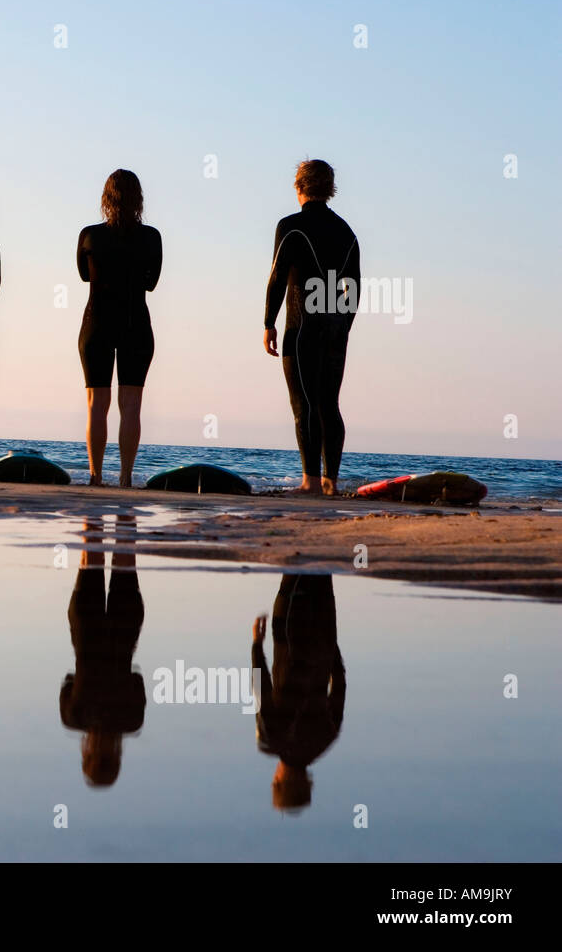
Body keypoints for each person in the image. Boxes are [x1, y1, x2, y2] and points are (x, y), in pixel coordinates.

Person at [263, 159, 360, 495]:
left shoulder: (290, 226)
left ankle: (310, 482)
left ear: (299, 186)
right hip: (334, 327)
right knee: (329, 404)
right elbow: (354, 287)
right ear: (329, 188)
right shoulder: (346, 232)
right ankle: (331, 481)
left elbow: (277, 278)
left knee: (303, 403)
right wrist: (342, 325)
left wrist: (268, 323)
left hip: (301, 325)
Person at [76, 170, 162, 487]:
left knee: (96, 405)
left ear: (106, 199)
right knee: (131, 406)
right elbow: (151, 283)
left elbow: (85, 276)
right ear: (138, 199)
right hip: (135, 322)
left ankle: (96, 476)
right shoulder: (151, 237)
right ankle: (126, 477)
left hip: (96, 322)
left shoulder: (90, 236)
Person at [60, 515, 146, 787]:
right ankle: (102, 493)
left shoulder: (131, 721)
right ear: (86, 756)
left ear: (118, 758)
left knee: (125, 553)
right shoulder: (73, 718)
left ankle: (124, 498)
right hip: (85, 632)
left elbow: (136, 679)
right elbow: (68, 681)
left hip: (124, 633)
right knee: (92, 550)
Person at [251, 574, 346, 812]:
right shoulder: (270, 740)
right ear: (279, 781)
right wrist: (256, 645)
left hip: (323, 632)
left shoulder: (327, 739)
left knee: (322, 566)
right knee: (293, 564)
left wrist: (330, 645)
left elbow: (340, 684)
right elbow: (260, 689)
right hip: (287, 633)